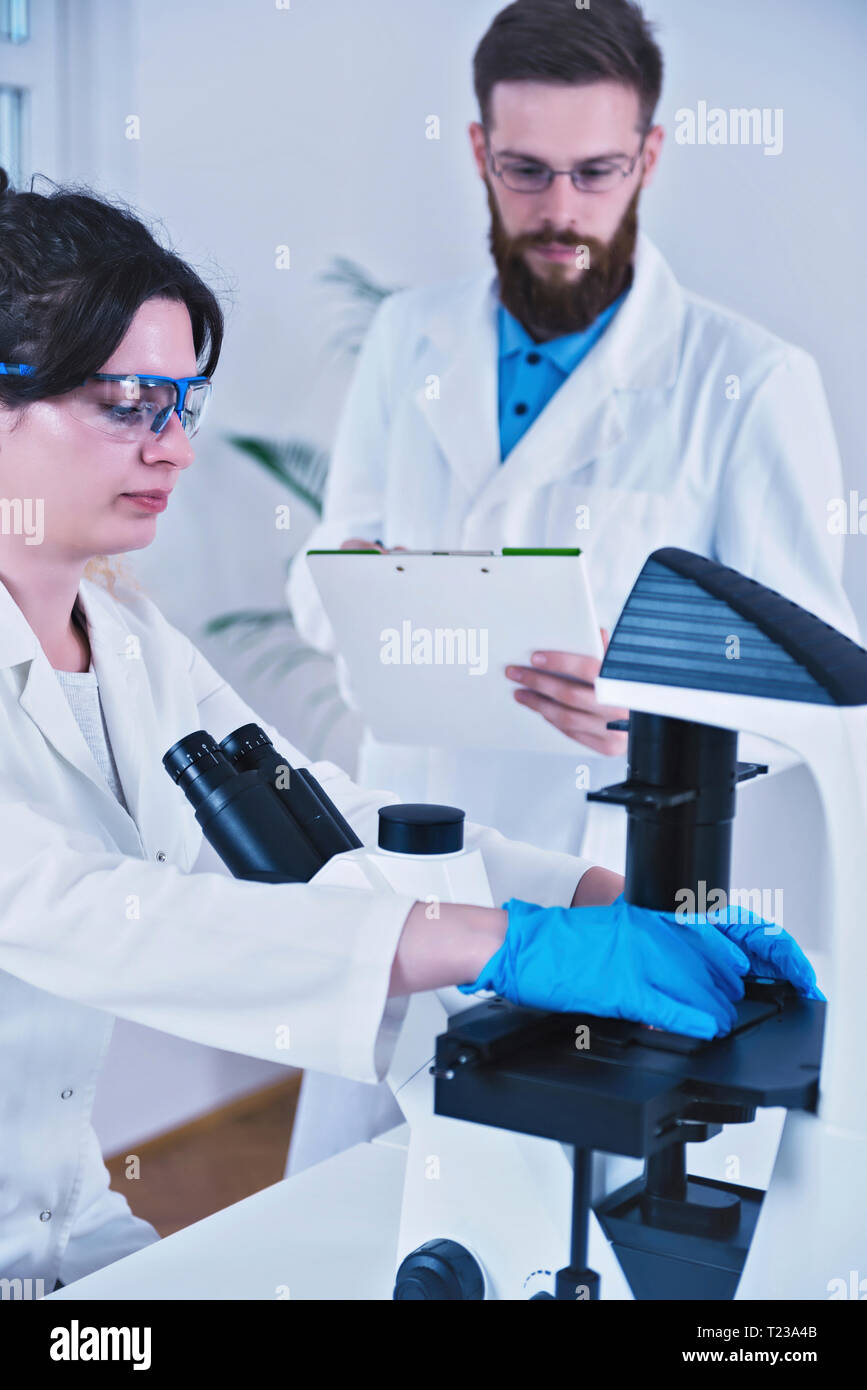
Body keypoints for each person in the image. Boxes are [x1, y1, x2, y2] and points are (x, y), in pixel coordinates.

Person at [1, 168, 819, 1293]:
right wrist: (494, 940)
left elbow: (319, 813)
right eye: (128, 403)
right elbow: (79, 912)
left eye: (184, 402)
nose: (175, 447)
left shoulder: (123, 627)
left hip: (70, 1233)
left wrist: (595, 898)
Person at [287, 0, 860, 873]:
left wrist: (654, 708)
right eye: (525, 170)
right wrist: (360, 584)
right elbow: (326, 563)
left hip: (605, 855)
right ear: (480, 153)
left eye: (595, 172)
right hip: (408, 840)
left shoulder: (750, 379)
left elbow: (814, 685)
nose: (560, 213)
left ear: (648, 159)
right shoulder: (408, 335)